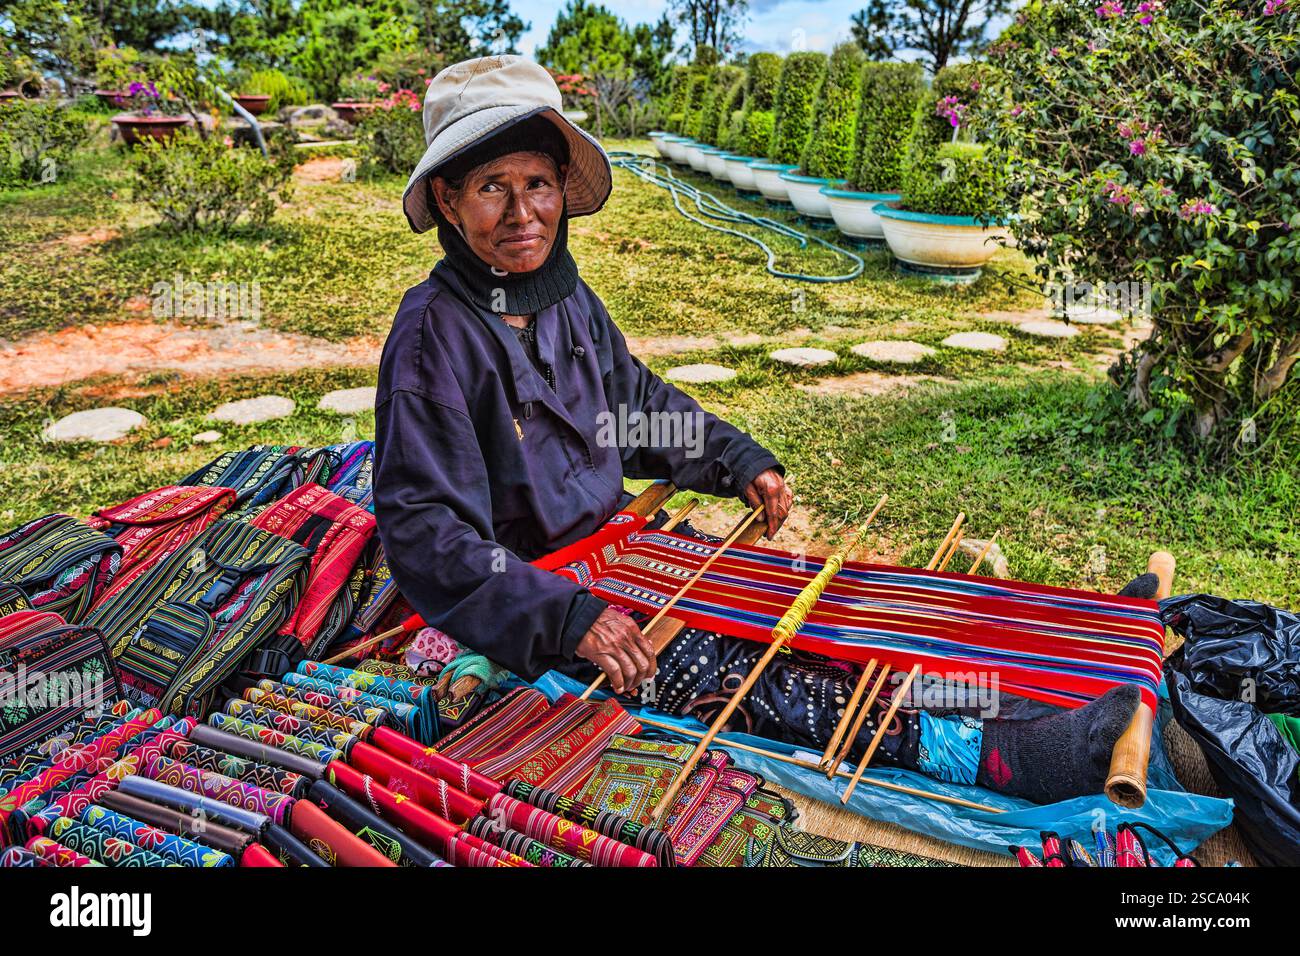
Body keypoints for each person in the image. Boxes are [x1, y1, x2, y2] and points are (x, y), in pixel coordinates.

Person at [374, 55, 1150, 805]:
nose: (523, 214)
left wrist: (733, 458)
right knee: (774, 677)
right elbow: (427, 530)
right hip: (543, 610)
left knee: (834, 619)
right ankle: (1001, 754)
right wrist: (567, 617)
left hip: (624, 557)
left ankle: (1037, 677)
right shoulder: (431, 338)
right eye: (490, 189)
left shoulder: (565, 302)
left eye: (538, 184)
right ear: (446, 202)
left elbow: (629, 404)